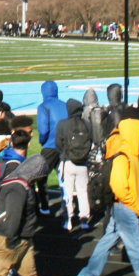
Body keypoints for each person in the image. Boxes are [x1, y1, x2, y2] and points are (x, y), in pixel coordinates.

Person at [76, 92, 139, 276]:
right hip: (125, 207)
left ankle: (87, 274)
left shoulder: (131, 153)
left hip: (123, 206)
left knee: (108, 239)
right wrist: (136, 206)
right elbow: (120, 187)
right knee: (136, 248)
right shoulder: (124, 156)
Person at [55, 98, 92, 231]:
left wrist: (64, 154)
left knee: (67, 192)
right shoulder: (87, 124)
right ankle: (84, 219)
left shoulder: (62, 124)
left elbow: (58, 143)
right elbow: (90, 141)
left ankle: (68, 219)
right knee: (83, 191)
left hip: (67, 161)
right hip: (83, 163)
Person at [36, 80, 67, 215]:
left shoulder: (43, 107)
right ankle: (67, 205)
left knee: (41, 177)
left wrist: (42, 141)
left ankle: (44, 206)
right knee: (64, 177)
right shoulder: (65, 105)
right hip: (64, 146)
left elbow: (43, 130)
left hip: (49, 146)